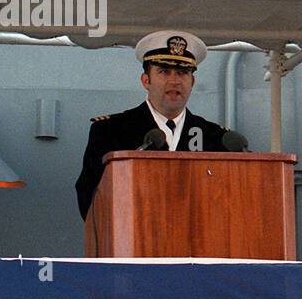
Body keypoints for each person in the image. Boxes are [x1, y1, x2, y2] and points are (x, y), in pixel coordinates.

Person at [75, 30, 229, 219]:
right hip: (134, 244)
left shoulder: (217, 138)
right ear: (146, 80)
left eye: (182, 73)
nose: (174, 81)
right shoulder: (110, 131)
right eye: (164, 71)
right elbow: (89, 196)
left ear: (192, 81)